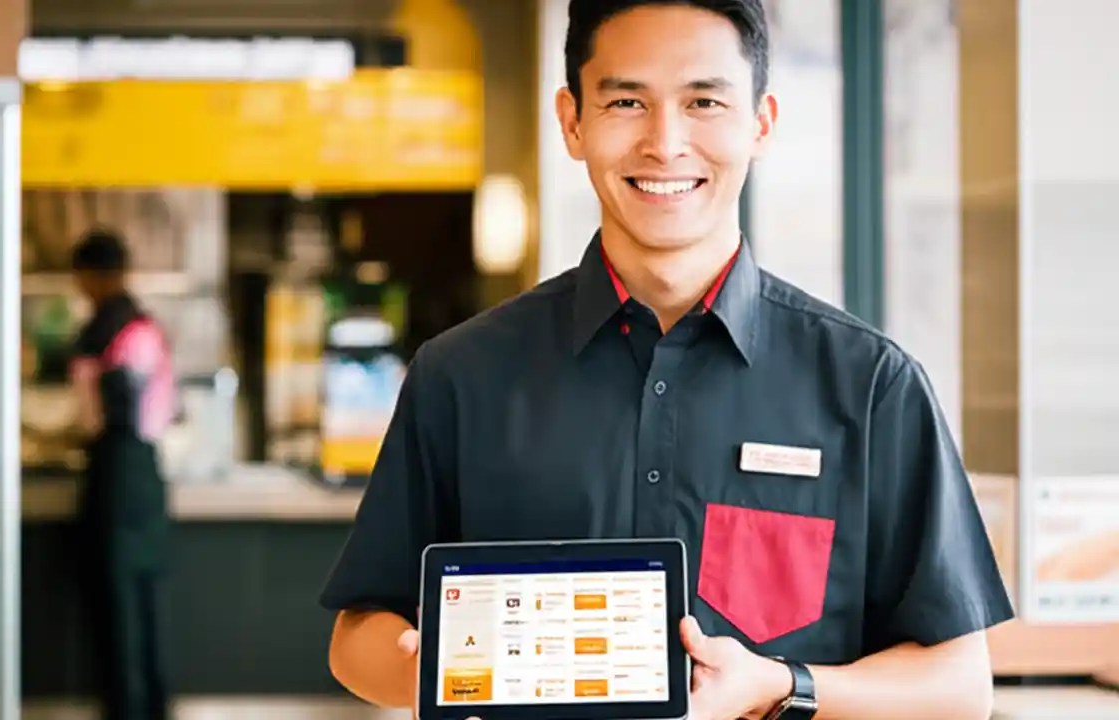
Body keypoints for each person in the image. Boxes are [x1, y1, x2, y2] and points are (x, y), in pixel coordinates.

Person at [319, 1, 1014, 719]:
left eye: (704, 101)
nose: (665, 143)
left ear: (761, 122)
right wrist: (432, 676)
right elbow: (358, 633)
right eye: (626, 101)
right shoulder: (460, 375)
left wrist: (782, 685)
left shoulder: (870, 384)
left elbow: (958, 687)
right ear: (572, 122)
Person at [68, 229, 175, 720]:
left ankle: (129, 710)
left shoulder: (109, 331)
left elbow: (112, 413)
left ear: (91, 276)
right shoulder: (143, 327)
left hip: (118, 474)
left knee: (121, 612)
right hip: (145, 474)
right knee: (144, 604)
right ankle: (150, 707)